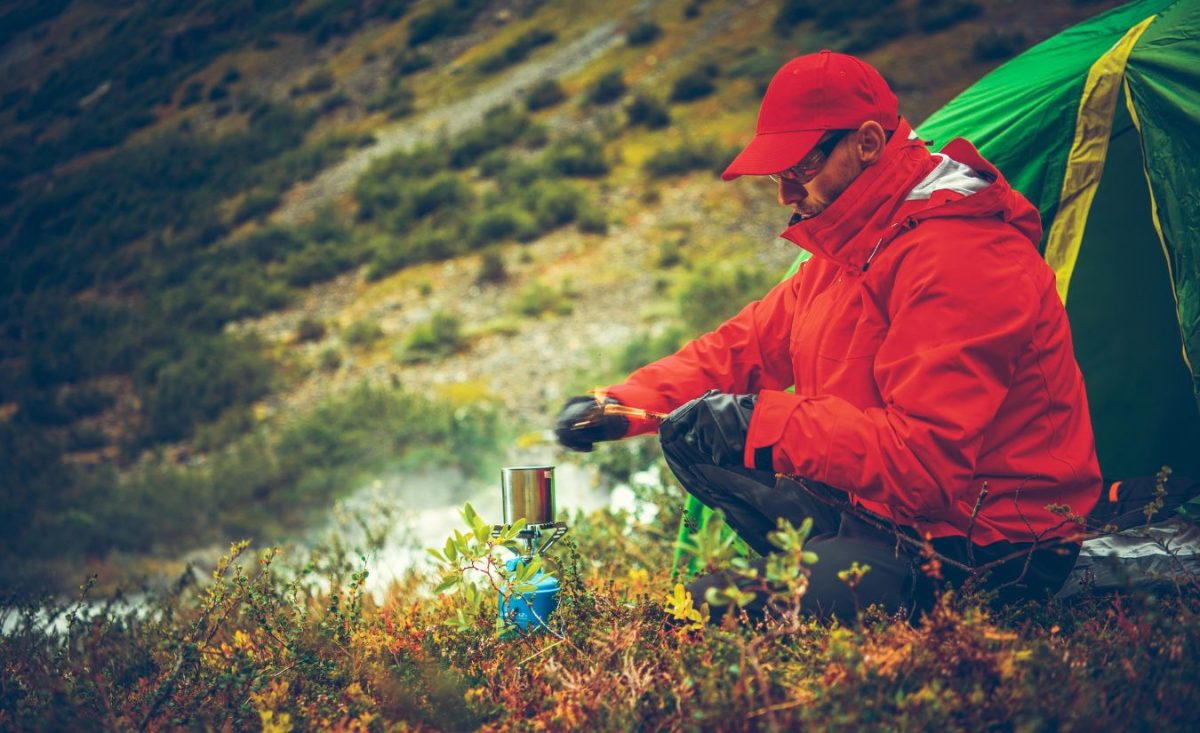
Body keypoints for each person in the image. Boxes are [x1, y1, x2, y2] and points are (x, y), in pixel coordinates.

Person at [554, 51, 1102, 622]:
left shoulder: (961, 255)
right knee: (692, 435)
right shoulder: (851, 245)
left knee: (707, 609)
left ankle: (840, 581)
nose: (786, 195)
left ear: (866, 142)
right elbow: (746, 345)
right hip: (884, 515)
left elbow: (924, 467)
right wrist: (621, 403)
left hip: (990, 545)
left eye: (800, 168)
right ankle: (835, 572)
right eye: (778, 175)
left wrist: (764, 424)